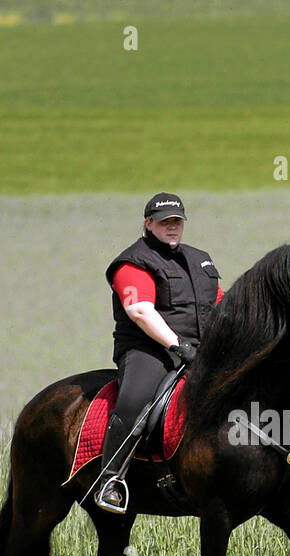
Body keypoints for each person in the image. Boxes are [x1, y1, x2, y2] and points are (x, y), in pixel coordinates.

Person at [94, 192, 224, 513]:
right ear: (148, 223)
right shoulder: (133, 261)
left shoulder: (200, 259)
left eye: (177, 221)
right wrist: (178, 346)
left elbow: (220, 305)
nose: (172, 227)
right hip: (148, 350)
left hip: (200, 349)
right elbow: (139, 311)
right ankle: (111, 479)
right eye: (165, 222)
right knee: (135, 398)